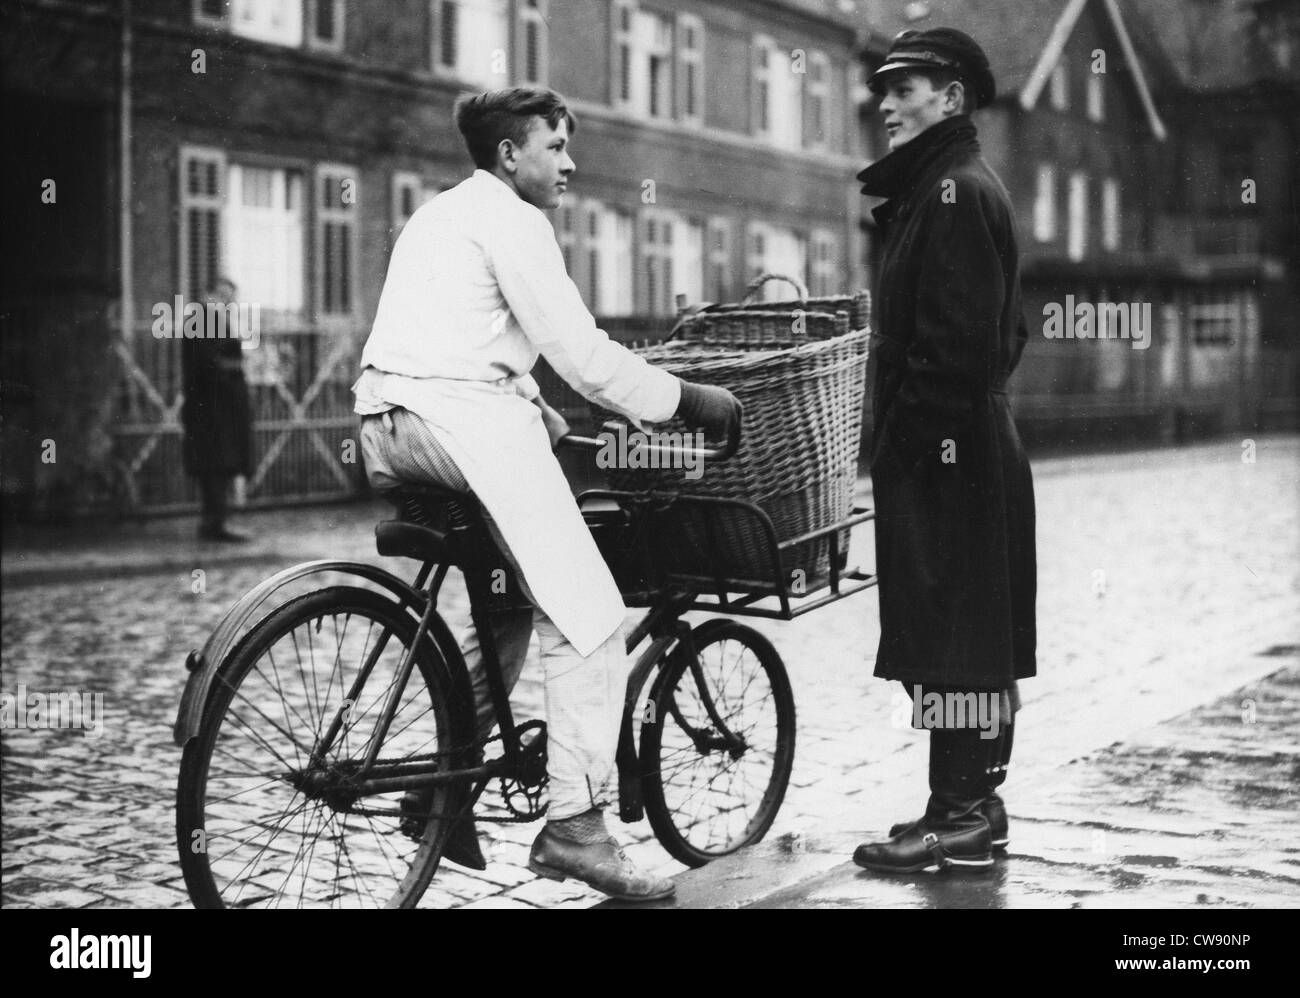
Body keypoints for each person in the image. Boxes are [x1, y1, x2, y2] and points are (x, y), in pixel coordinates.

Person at [352, 87, 740, 901]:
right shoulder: (516, 220)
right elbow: (586, 356)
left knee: (508, 608)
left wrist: (540, 413)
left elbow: (459, 341)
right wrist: (690, 402)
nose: (570, 163)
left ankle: (435, 783)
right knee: (591, 617)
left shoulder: (441, 214)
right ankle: (576, 829)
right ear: (509, 155)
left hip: (389, 428)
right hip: (458, 429)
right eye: (556, 146)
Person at [851, 28, 1037, 874]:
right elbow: (1009, 335)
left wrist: (897, 449)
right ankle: (965, 807)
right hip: (960, 448)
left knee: (960, 632)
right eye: (883, 90)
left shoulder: (956, 192)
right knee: (958, 630)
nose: (885, 104)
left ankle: (961, 815)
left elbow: (957, 352)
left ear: (952, 97)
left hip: (951, 454)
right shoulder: (947, 189)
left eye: (907, 87)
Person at [182, 277, 253, 542]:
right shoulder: (201, 316)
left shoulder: (210, 318)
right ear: (209, 293)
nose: (227, 302)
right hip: (212, 409)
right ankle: (214, 523)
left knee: (221, 464)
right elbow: (207, 364)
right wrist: (233, 368)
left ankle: (216, 521)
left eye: (230, 298)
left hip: (220, 408)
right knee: (215, 463)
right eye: (223, 296)